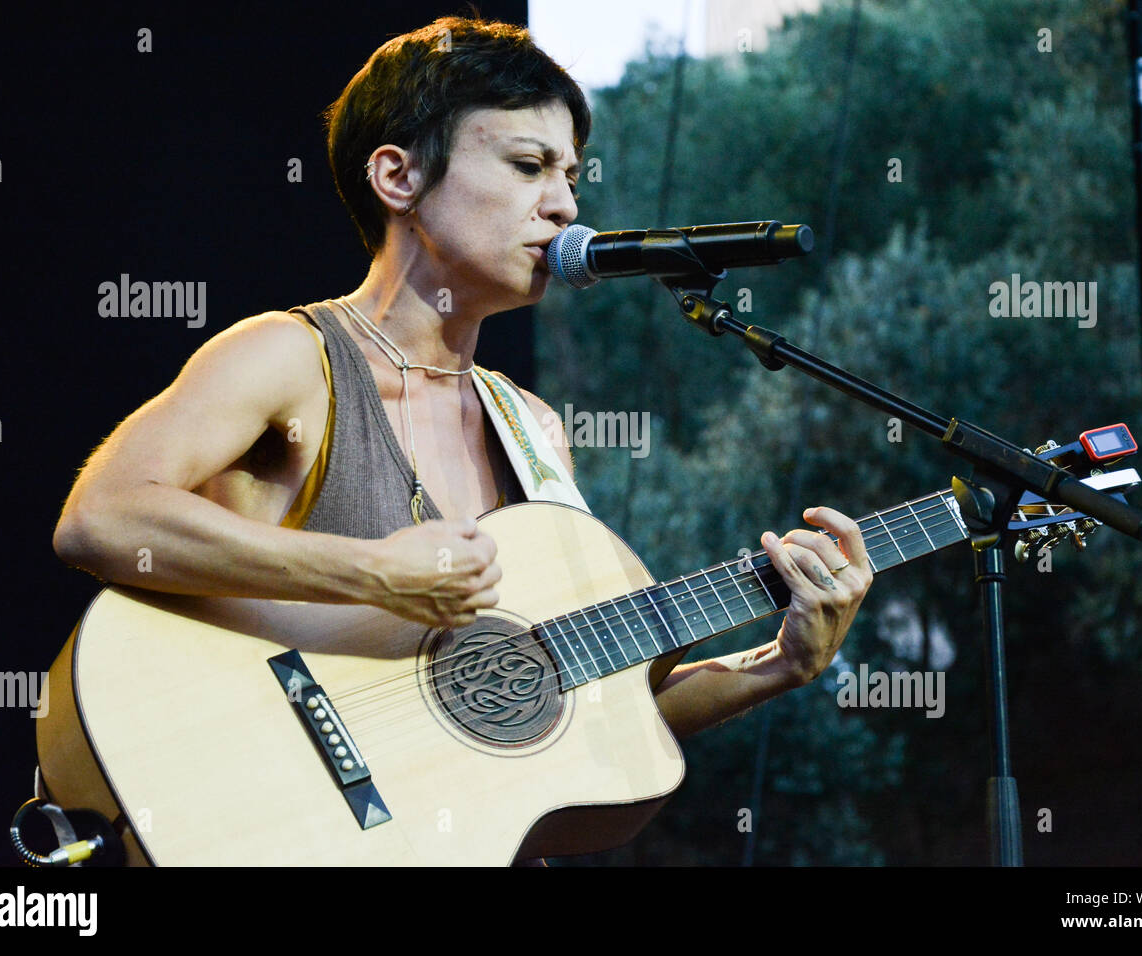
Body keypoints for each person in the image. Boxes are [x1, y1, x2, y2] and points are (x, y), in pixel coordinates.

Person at [53, 15, 872, 817]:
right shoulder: (290, 357)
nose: (564, 208)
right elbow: (102, 518)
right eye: (528, 165)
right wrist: (373, 572)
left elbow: (569, 721)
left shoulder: (535, 432)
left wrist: (779, 663)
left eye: (572, 176)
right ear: (398, 178)